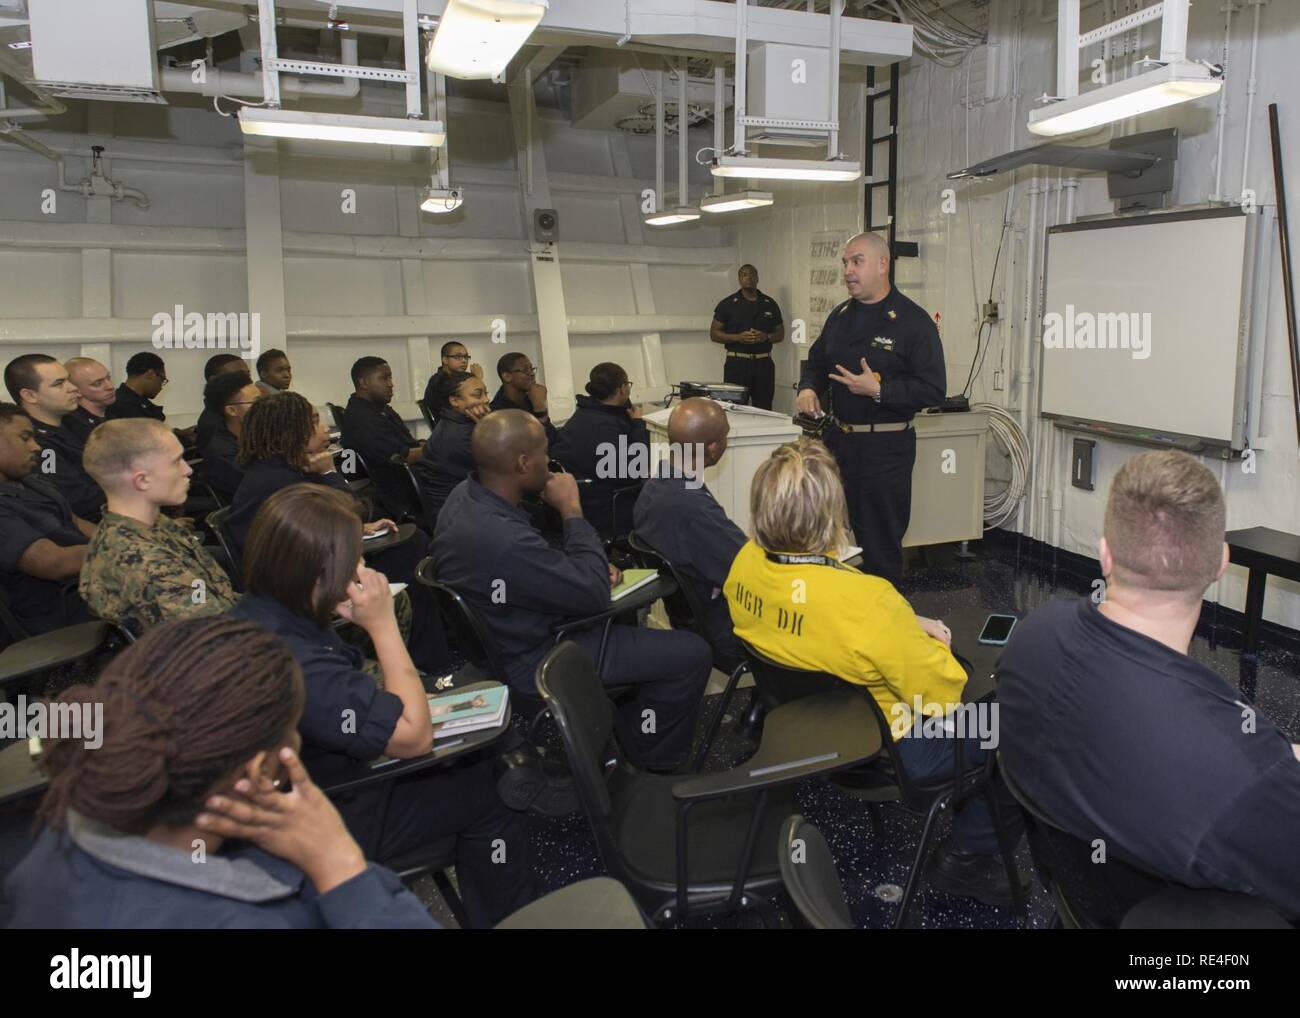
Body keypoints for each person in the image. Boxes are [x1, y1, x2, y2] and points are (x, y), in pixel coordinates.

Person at [999, 451, 1300, 919]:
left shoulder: (1032, 637)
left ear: (1105, 553)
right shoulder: (1239, 771)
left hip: (1076, 898)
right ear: (1220, 563)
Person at [724, 438, 1019, 906]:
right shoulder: (868, 603)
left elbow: (819, 611)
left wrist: (899, 619)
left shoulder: (743, 563)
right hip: (893, 751)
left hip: (806, 727)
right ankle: (967, 856)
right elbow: (946, 692)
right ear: (831, 515)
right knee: (1015, 720)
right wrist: (920, 634)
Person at [1, 616, 438, 928]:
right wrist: (340, 865)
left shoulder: (53, 836)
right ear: (259, 770)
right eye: (293, 730)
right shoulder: (247, 917)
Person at [231, 484, 536, 927]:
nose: (362, 568)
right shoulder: (293, 660)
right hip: (322, 814)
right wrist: (383, 624)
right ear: (316, 572)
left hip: (300, 784)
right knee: (487, 790)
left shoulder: (265, 610)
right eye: (353, 559)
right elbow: (413, 737)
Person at [433, 410, 711, 771]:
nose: (549, 463)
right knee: (692, 653)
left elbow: (531, 558)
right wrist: (572, 510)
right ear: (522, 463)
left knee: (630, 622)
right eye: (544, 453)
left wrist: (575, 564)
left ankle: (622, 726)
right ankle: (657, 761)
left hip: (504, 637)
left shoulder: (465, 497)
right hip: (538, 655)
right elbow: (593, 595)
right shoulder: (504, 540)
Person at [230, 392, 447, 673]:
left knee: (412, 544)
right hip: (299, 590)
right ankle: (428, 663)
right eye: (315, 422)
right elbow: (349, 512)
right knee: (411, 551)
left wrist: (360, 526)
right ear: (291, 430)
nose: (325, 430)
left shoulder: (281, 467)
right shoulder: (279, 480)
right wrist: (330, 474)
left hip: (309, 572)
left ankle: (429, 657)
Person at [795, 232, 946, 586]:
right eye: (845, 263)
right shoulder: (840, 316)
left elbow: (934, 389)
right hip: (837, 444)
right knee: (828, 541)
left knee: (878, 549)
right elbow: (816, 362)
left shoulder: (913, 322)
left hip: (884, 452)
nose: (848, 270)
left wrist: (880, 390)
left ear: (882, 264)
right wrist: (807, 388)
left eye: (856, 261)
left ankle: (884, 629)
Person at [79, 418, 236, 633]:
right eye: (177, 461)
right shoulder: (145, 560)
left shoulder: (149, 526)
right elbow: (216, 635)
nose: (188, 470)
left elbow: (211, 596)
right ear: (142, 480)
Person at [633, 397, 745, 671]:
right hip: (724, 628)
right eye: (726, 435)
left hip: (690, 621)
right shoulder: (692, 508)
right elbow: (748, 569)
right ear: (713, 448)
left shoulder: (655, 486)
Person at [0, 402, 94, 635]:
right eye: (25, 438)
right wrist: (129, 549)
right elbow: (54, 563)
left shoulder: (31, 482)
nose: (37, 447)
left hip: (89, 584)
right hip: (60, 611)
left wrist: (129, 537)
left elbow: (77, 523)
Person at [3, 353, 106, 522]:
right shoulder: (36, 444)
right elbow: (77, 501)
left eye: (68, 380)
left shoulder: (75, 424)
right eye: (59, 384)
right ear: (29, 395)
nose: (73, 388)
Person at [551, 362, 648, 538]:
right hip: (604, 507)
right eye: (628, 385)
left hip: (577, 502)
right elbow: (636, 469)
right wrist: (637, 424)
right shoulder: (607, 427)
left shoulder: (583, 414)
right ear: (622, 390)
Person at [340, 356, 423, 520]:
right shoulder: (363, 418)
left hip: (407, 478)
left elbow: (408, 443)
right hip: (400, 491)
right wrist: (437, 447)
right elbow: (403, 456)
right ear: (363, 383)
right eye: (384, 378)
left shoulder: (378, 409)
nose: (391, 383)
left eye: (390, 377)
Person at [413, 369, 491, 526]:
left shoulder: (454, 423)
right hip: (460, 514)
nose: (486, 400)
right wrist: (489, 426)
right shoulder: (460, 437)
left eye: (486, 393)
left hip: (463, 502)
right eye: (478, 395)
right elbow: (506, 469)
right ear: (455, 401)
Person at [710, 263, 785, 411]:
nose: (748, 277)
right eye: (744, 274)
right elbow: (714, 333)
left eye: (752, 274)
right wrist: (738, 337)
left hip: (763, 363)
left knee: (764, 408)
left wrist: (766, 337)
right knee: (734, 408)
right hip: (737, 363)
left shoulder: (769, 304)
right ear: (739, 279)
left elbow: (780, 333)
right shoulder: (728, 304)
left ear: (757, 278)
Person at [200, 370, 261, 505]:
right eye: (256, 403)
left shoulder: (257, 436)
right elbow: (260, 489)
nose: (265, 407)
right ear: (232, 410)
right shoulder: (223, 453)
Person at [491, 352, 556, 444]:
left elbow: (554, 441)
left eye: (531, 369)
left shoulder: (530, 399)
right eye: (525, 370)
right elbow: (532, 445)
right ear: (507, 376)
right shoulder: (498, 412)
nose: (532, 374)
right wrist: (539, 408)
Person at [195, 353, 248, 453]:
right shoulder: (214, 422)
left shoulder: (239, 410)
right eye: (239, 375)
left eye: (247, 374)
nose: (247, 380)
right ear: (214, 380)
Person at [63, 356, 116, 444]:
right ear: (77, 390)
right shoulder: (74, 426)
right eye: (98, 383)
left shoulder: (114, 412)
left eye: (108, 378)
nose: (110, 387)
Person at [105, 351, 169, 423]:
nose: (161, 387)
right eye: (162, 380)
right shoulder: (125, 407)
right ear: (150, 374)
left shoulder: (127, 401)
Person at [423, 340, 484, 413]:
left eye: (466, 357)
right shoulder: (440, 381)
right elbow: (473, 406)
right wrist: (477, 380)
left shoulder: (457, 378)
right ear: (445, 360)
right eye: (458, 357)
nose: (464, 361)